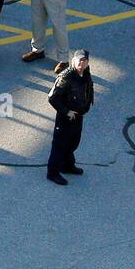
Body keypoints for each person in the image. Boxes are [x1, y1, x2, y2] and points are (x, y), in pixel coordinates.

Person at [46, 49, 93, 185]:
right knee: (59, 145)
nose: (82, 63)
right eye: (79, 60)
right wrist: (67, 112)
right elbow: (52, 98)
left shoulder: (85, 73)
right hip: (66, 116)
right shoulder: (65, 77)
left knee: (73, 142)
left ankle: (67, 166)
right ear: (73, 61)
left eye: (84, 61)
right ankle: (53, 173)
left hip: (78, 115)